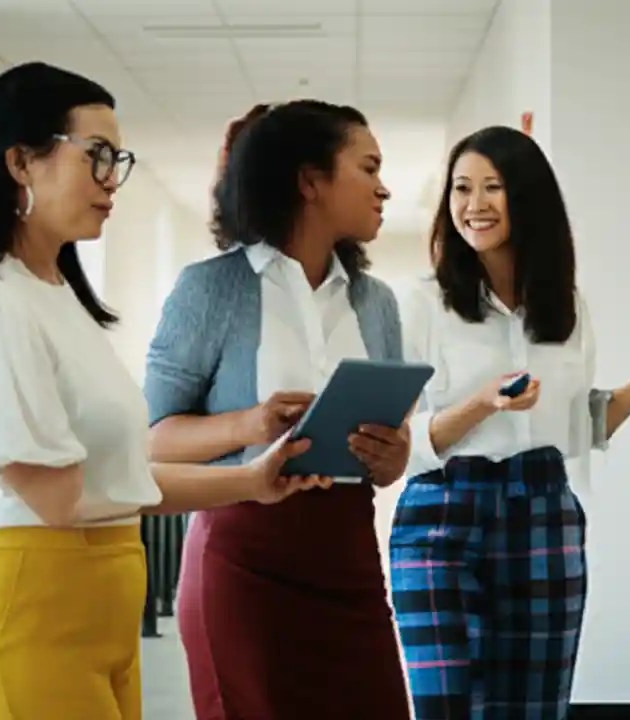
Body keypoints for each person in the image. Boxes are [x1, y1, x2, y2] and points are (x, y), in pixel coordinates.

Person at [0, 63, 328, 720]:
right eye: (97, 157)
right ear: (22, 162)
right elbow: (61, 499)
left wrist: (252, 481)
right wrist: (233, 469)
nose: (112, 180)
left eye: (120, 160)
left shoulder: (57, 301)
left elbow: (116, 480)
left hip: (97, 611)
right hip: (28, 616)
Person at [389, 125, 630, 720]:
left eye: (492, 188)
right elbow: (397, 443)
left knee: (534, 710)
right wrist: (483, 404)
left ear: (527, 198)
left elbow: (580, 427)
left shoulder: (566, 306)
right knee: (443, 707)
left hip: (541, 515)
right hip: (439, 519)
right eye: (461, 188)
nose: (473, 205)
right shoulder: (421, 303)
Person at [144, 100, 413, 720]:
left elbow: (389, 460)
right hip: (241, 557)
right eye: (368, 168)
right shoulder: (210, 289)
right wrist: (251, 424)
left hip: (347, 554)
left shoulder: (377, 304)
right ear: (309, 181)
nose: (384, 187)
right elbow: (155, 440)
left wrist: (391, 454)